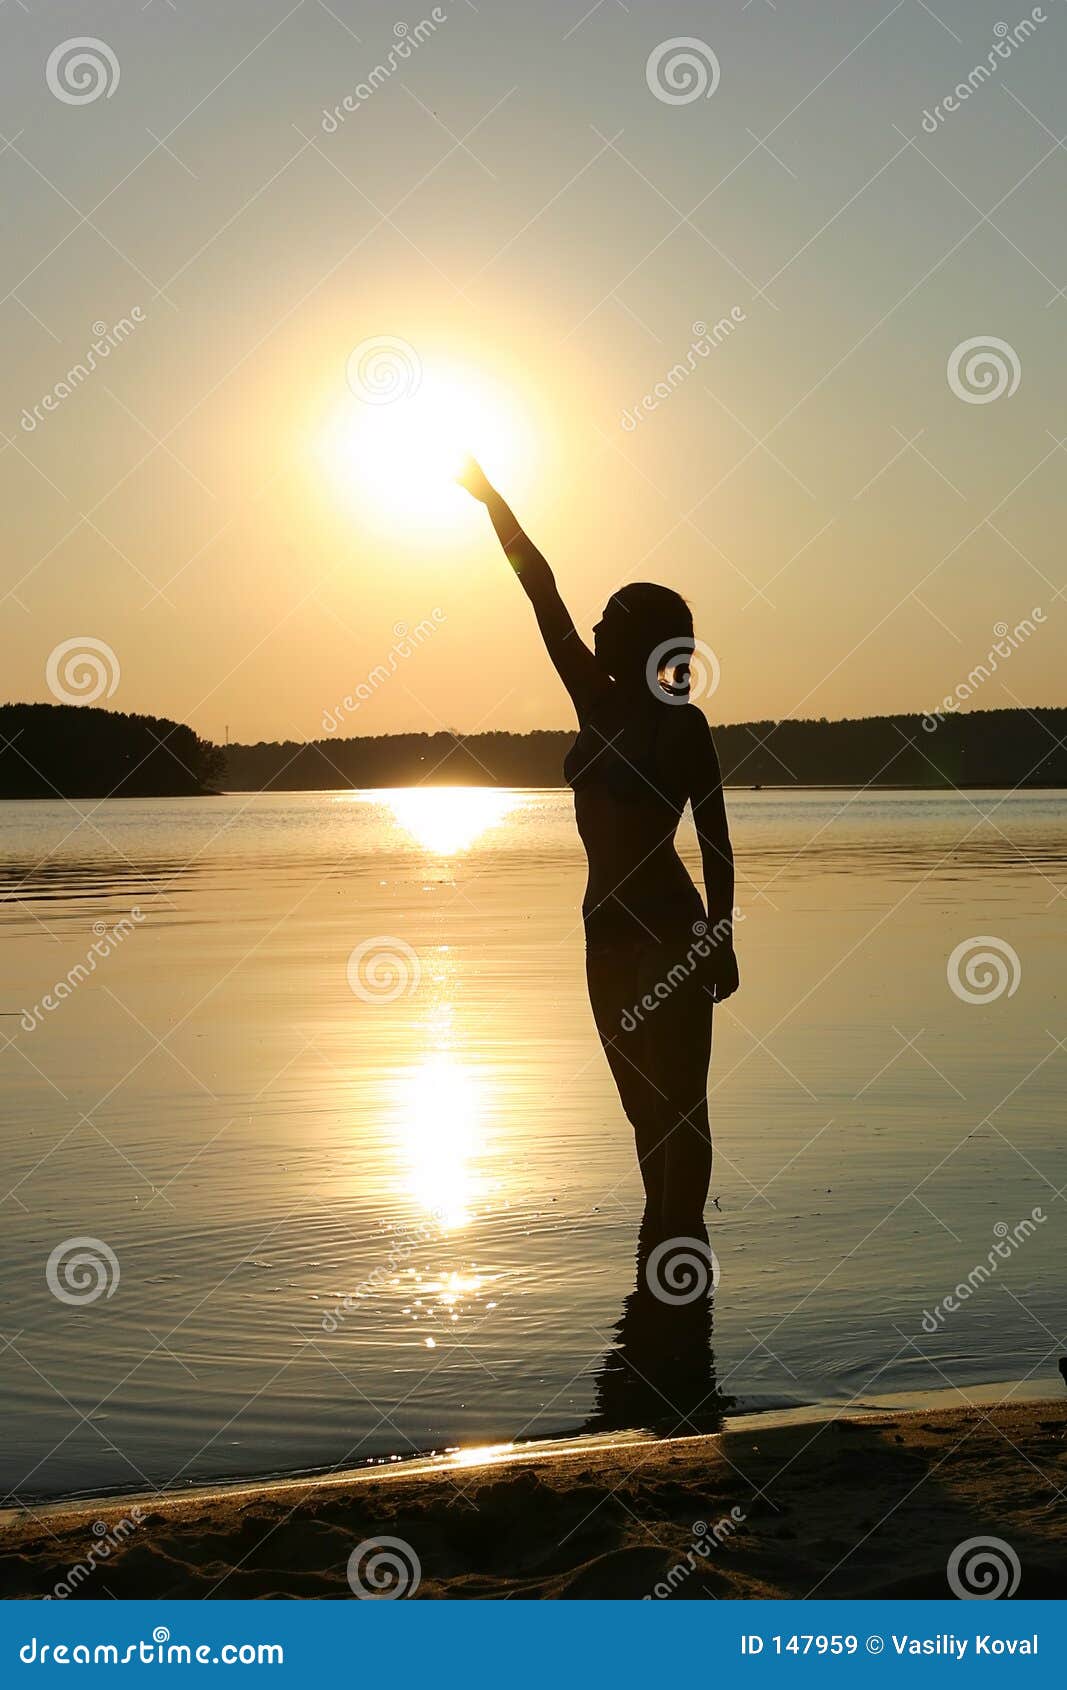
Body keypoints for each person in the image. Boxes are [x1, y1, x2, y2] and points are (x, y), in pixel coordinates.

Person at [458, 457, 738, 1235]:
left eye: (611, 621)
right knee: (640, 1110)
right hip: (603, 932)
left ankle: (682, 1250)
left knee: (681, 1103)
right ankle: (663, 1246)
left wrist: (721, 935)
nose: (594, 627)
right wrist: (491, 500)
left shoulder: (679, 726)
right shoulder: (592, 702)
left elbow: (714, 841)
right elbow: (539, 592)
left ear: (646, 640)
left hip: (669, 931)